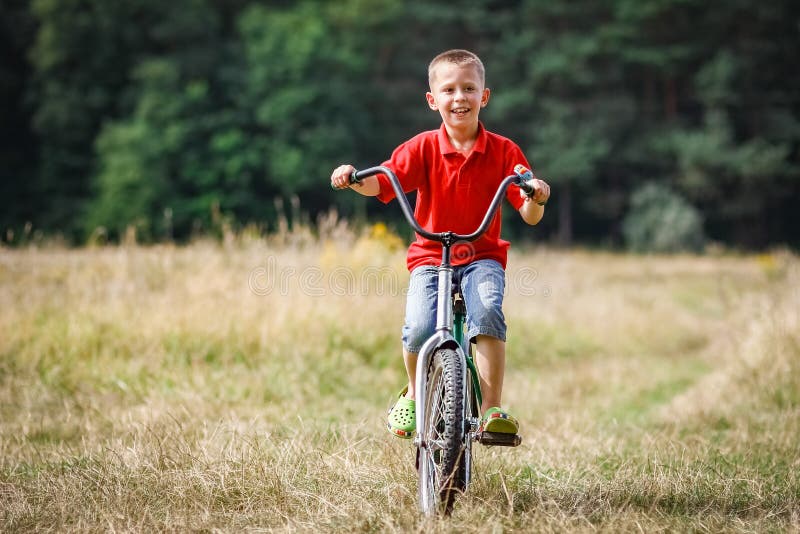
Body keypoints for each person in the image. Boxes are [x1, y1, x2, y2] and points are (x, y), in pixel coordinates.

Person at [330, 49, 550, 439]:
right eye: (448, 90)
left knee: (487, 314)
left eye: (469, 88)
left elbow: (529, 212)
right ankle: (415, 395)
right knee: (417, 326)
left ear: (484, 96)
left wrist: (536, 198)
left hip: (482, 256)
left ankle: (490, 409)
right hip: (431, 256)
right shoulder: (422, 147)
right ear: (433, 100)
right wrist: (353, 177)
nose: (459, 98)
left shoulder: (504, 151)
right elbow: (383, 181)